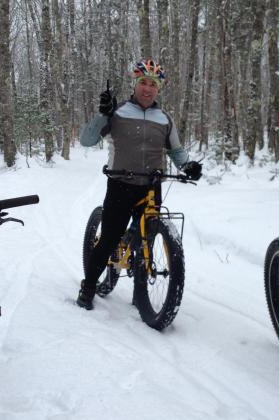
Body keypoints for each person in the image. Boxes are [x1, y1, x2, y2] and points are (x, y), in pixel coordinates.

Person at [76, 59, 201, 310]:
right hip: (121, 184)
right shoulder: (118, 111)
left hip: (152, 186)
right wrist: (103, 114)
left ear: (159, 89)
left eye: (153, 84)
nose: (147, 88)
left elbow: (176, 151)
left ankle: (140, 291)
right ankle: (88, 287)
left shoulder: (164, 119)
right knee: (110, 237)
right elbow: (86, 140)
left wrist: (188, 166)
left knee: (147, 237)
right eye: (143, 82)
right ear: (134, 84)